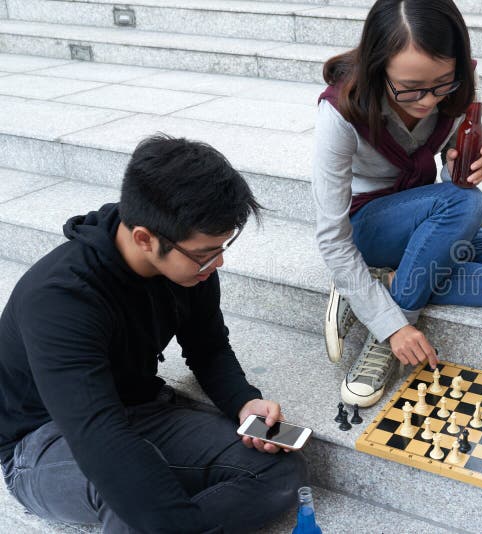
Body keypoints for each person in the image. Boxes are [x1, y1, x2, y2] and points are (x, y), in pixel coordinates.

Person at [0, 135, 308, 533]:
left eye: (221, 247)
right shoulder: (61, 299)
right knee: (131, 492)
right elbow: (98, 436)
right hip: (44, 440)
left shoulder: (190, 268)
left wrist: (244, 401)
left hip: (140, 410)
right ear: (145, 239)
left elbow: (209, 348)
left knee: (279, 470)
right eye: (205, 253)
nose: (217, 262)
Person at [313, 0, 482, 408]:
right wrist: (393, 325)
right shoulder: (340, 112)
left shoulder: (457, 91)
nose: (427, 102)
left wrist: (461, 166)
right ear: (377, 68)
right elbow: (332, 237)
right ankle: (391, 326)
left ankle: (384, 284)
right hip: (370, 227)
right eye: (410, 88)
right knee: (465, 203)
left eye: (442, 84)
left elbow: (449, 179)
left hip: (427, 223)